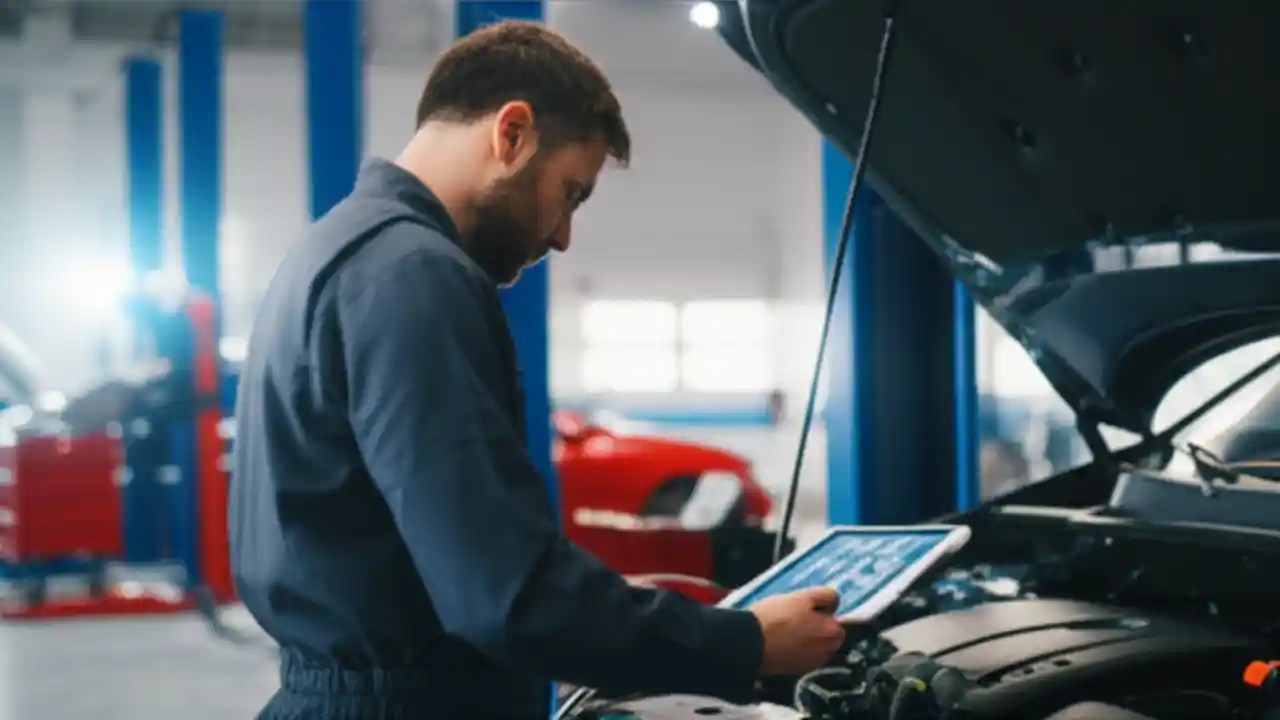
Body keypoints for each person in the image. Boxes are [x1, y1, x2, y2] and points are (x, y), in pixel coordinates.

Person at [229, 20, 846, 719]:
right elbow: (507, 595)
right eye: (570, 193)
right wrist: (744, 644)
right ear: (512, 134)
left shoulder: (332, 252)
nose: (562, 235)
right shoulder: (415, 275)